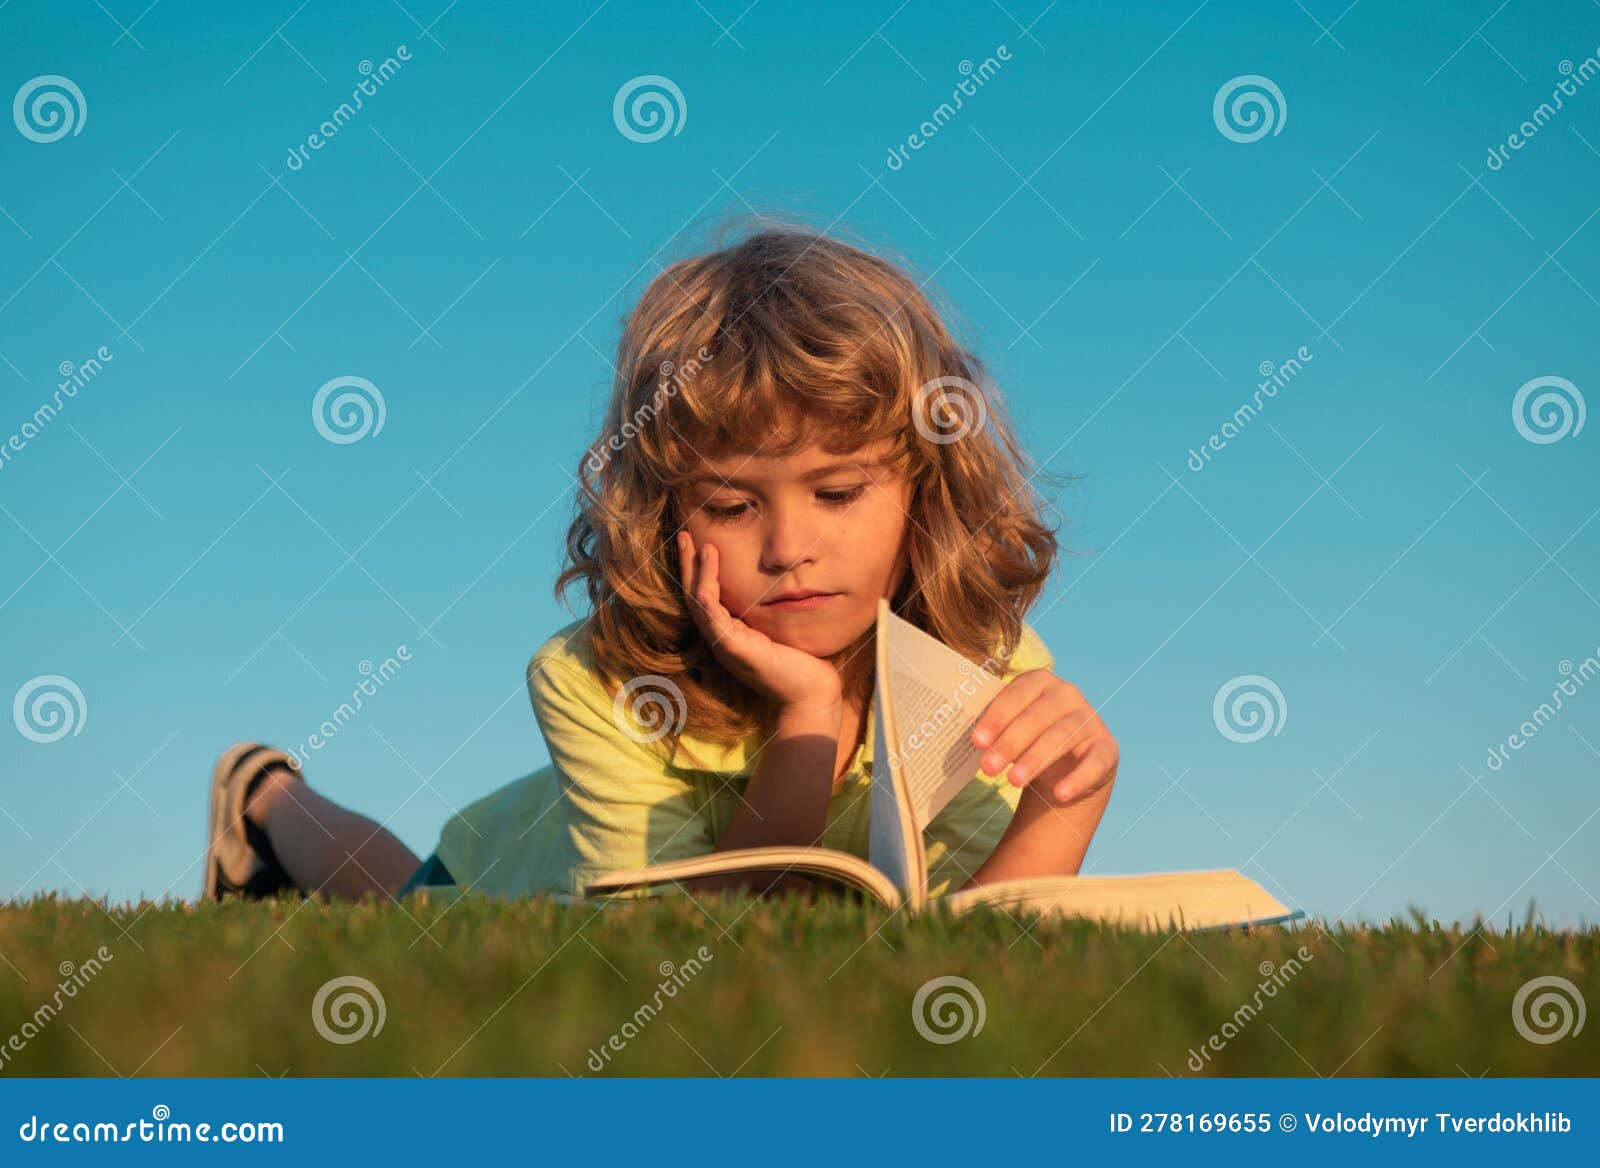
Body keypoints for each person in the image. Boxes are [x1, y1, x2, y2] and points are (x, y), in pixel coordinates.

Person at [202, 220, 1119, 906]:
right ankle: (269, 797)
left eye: (837, 494)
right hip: (512, 878)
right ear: (661, 514)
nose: (791, 548)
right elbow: (687, 946)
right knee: (393, 900)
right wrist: (811, 714)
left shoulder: (978, 663)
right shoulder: (588, 682)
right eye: (730, 505)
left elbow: (973, 927)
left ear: (925, 488)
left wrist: (1068, 806)